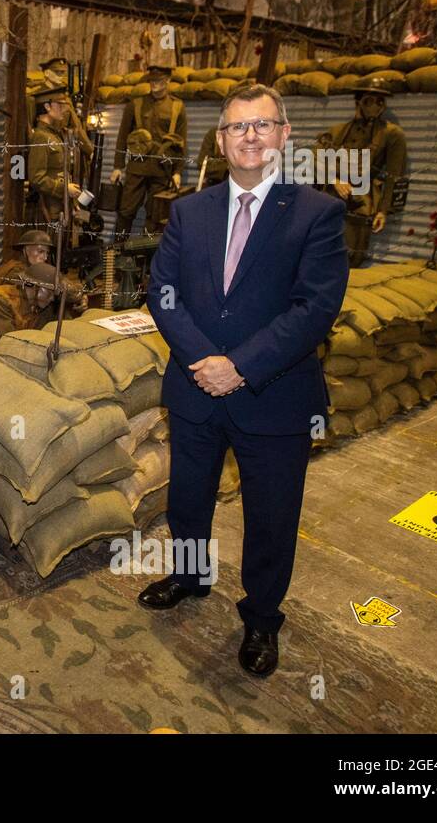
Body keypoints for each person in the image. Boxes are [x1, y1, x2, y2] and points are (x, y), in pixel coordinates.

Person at [144, 83, 347, 677]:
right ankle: (188, 575)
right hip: (195, 388)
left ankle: (261, 618)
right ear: (222, 139)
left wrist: (241, 366)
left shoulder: (317, 213)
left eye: (262, 125)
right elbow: (164, 291)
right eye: (237, 127)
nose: (250, 136)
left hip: (274, 394)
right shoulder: (190, 210)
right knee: (187, 498)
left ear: (284, 135)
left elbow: (315, 308)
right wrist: (204, 360)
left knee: (271, 514)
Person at [315, 76, 407, 267]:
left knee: (351, 258)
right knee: (319, 254)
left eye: (380, 101)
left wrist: (383, 211)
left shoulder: (391, 134)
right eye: (370, 101)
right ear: (359, 102)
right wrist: (334, 180)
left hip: (360, 204)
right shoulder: (338, 131)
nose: (376, 106)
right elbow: (314, 158)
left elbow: (394, 174)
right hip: (330, 202)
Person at [110, 64, 187, 240]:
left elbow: (181, 142)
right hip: (137, 167)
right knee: (126, 211)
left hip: (162, 170)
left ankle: (145, 259)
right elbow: (123, 137)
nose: (154, 84)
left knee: (155, 215)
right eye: (152, 80)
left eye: (159, 80)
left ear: (167, 81)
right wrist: (117, 166)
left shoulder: (177, 107)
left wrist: (177, 171)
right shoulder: (135, 104)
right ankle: (116, 254)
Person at [27, 86, 83, 228]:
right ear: (47, 106)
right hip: (48, 210)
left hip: (61, 206)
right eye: (60, 104)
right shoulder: (40, 136)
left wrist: (73, 203)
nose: (64, 109)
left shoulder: (55, 135)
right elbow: (36, 178)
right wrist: (65, 189)